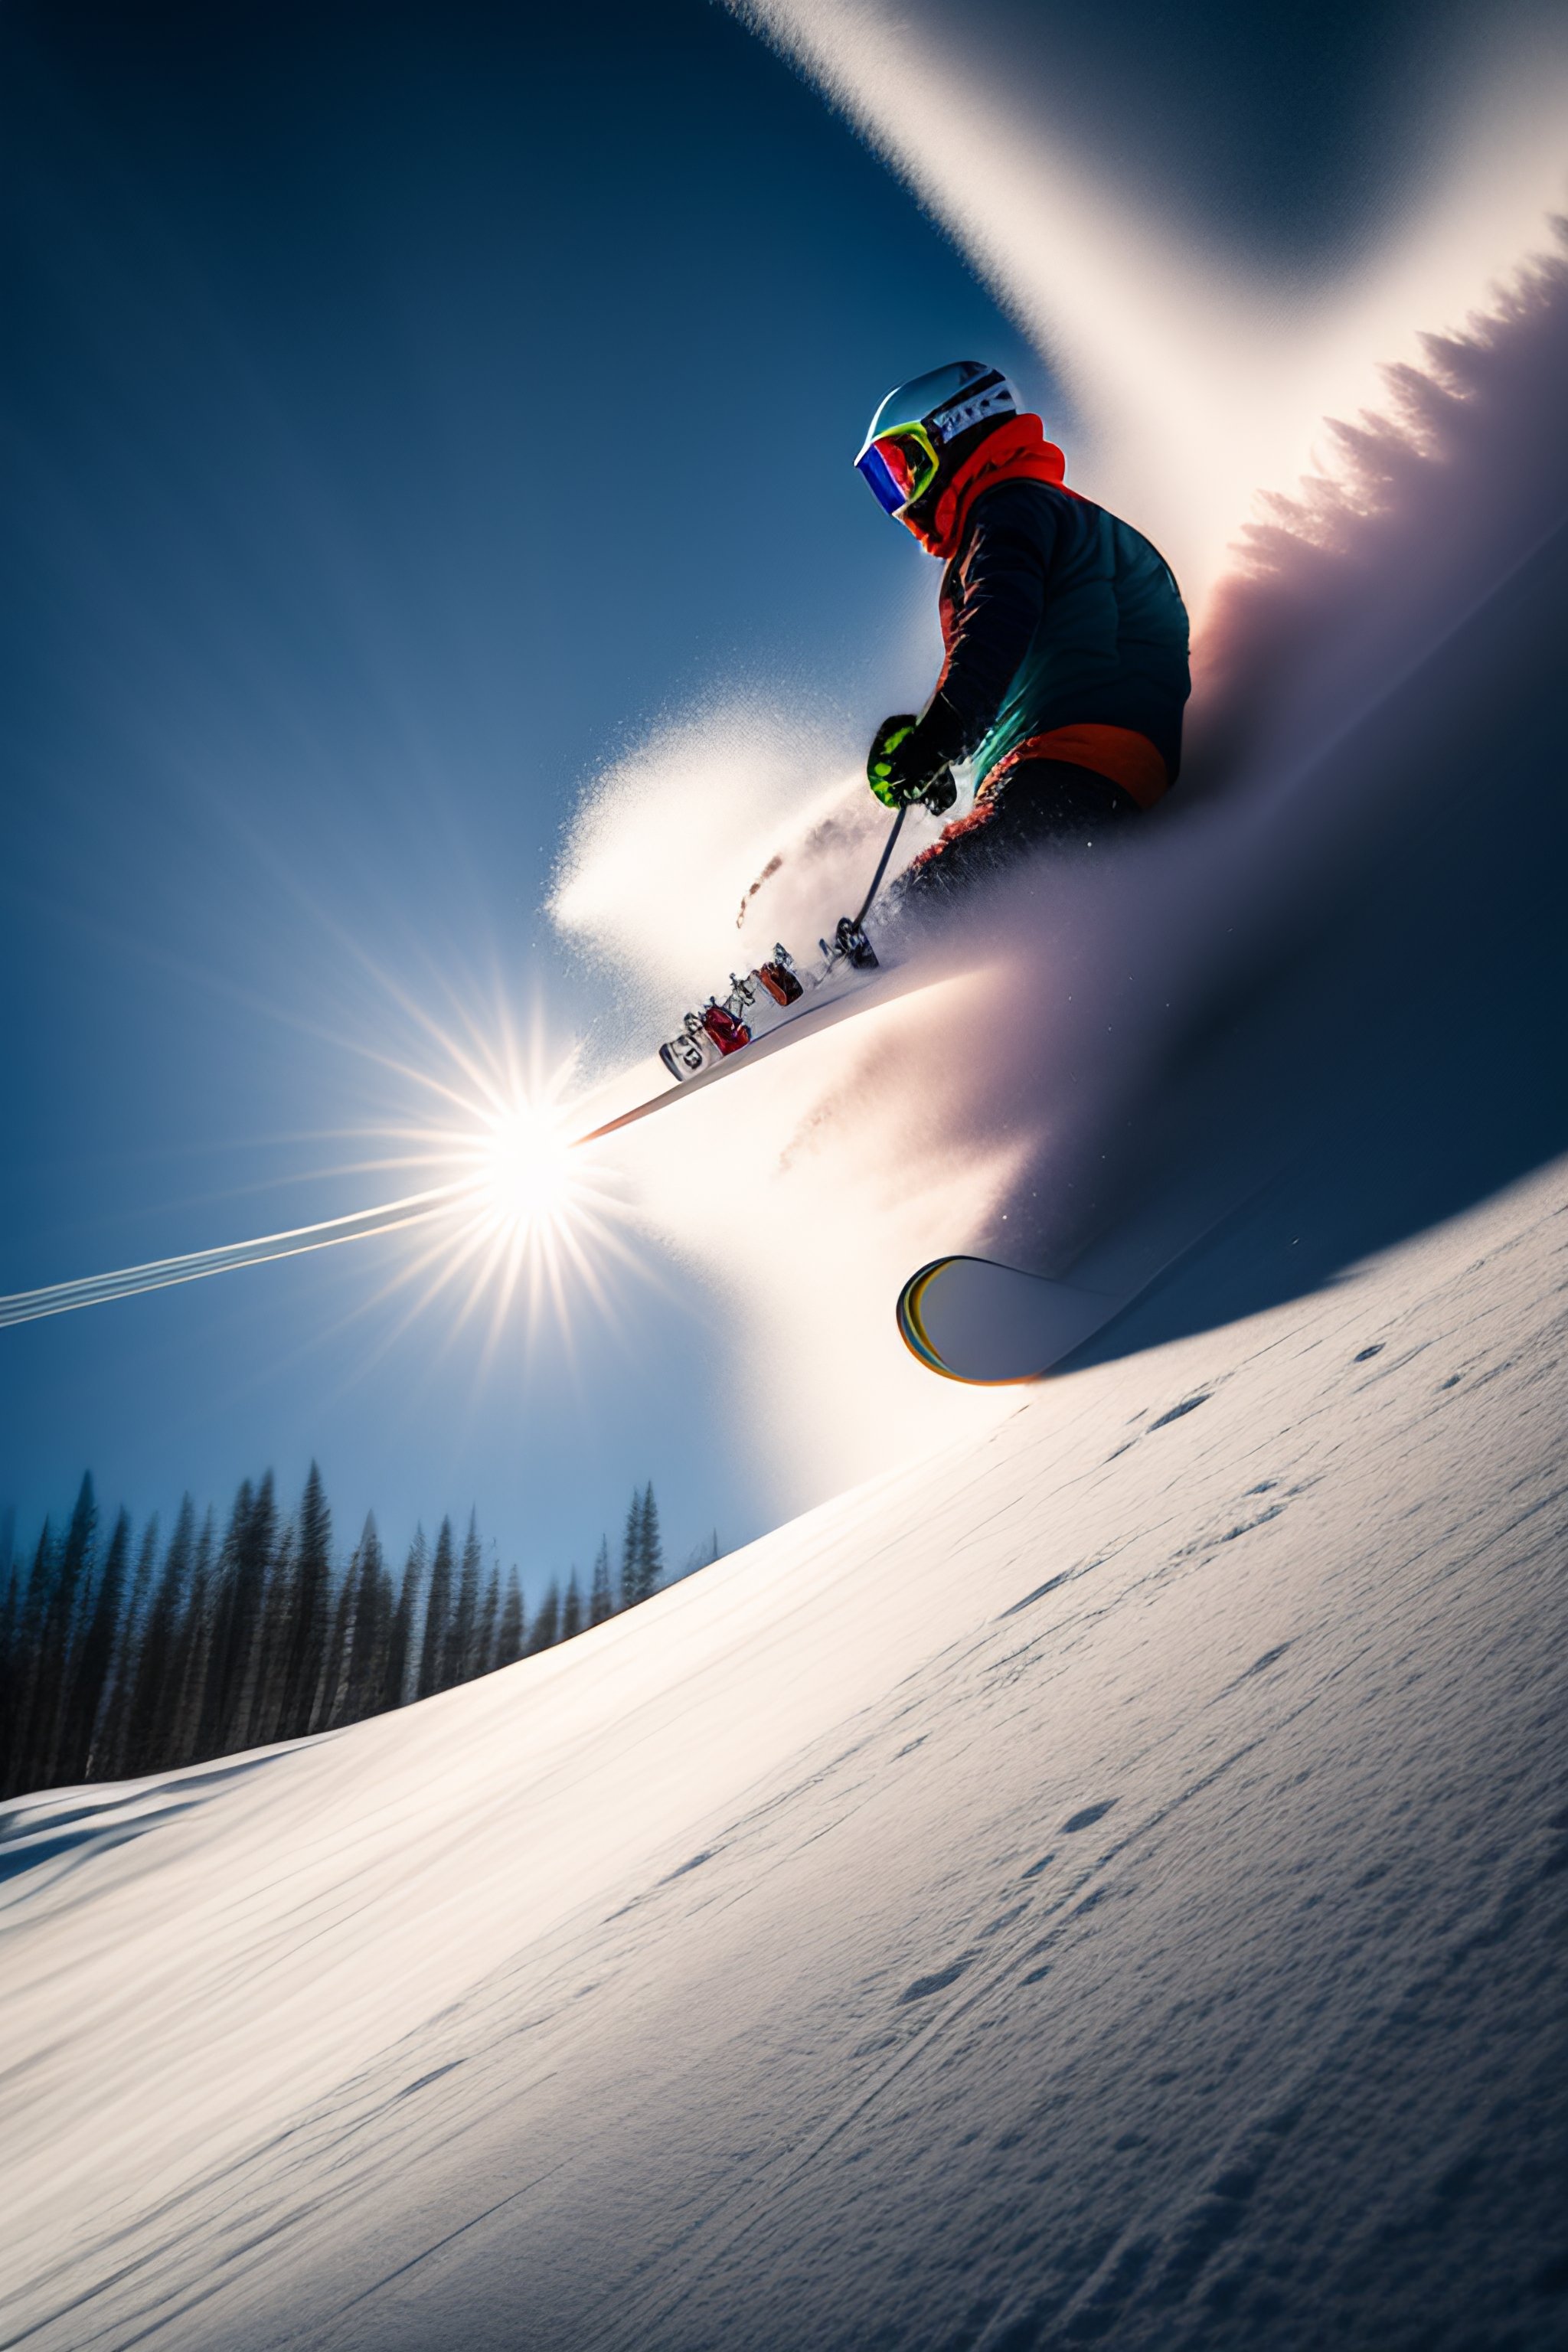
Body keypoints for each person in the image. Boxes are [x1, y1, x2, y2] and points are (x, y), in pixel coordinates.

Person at [854, 361, 1191, 902]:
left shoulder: (1011, 509)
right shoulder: (1024, 520)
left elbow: (998, 621)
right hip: (1074, 765)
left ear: (960, 429)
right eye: (887, 483)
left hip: (1072, 762)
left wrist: (942, 732)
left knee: (935, 894)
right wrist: (945, 761)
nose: (903, 498)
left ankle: (876, 946)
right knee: (976, 882)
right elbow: (1006, 666)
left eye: (904, 466)